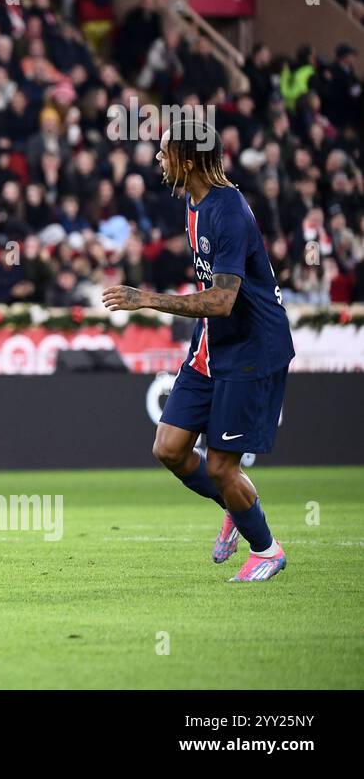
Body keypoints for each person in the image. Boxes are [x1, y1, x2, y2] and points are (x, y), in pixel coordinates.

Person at [104, 128, 295, 582]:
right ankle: (237, 502)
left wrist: (146, 299)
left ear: (187, 161)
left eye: (165, 151)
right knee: (169, 447)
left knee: (222, 464)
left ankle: (267, 549)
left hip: (251, 346)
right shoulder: (194, 202)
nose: (157, 157)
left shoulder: (228, 211)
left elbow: (223, 299)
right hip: (212, 342)